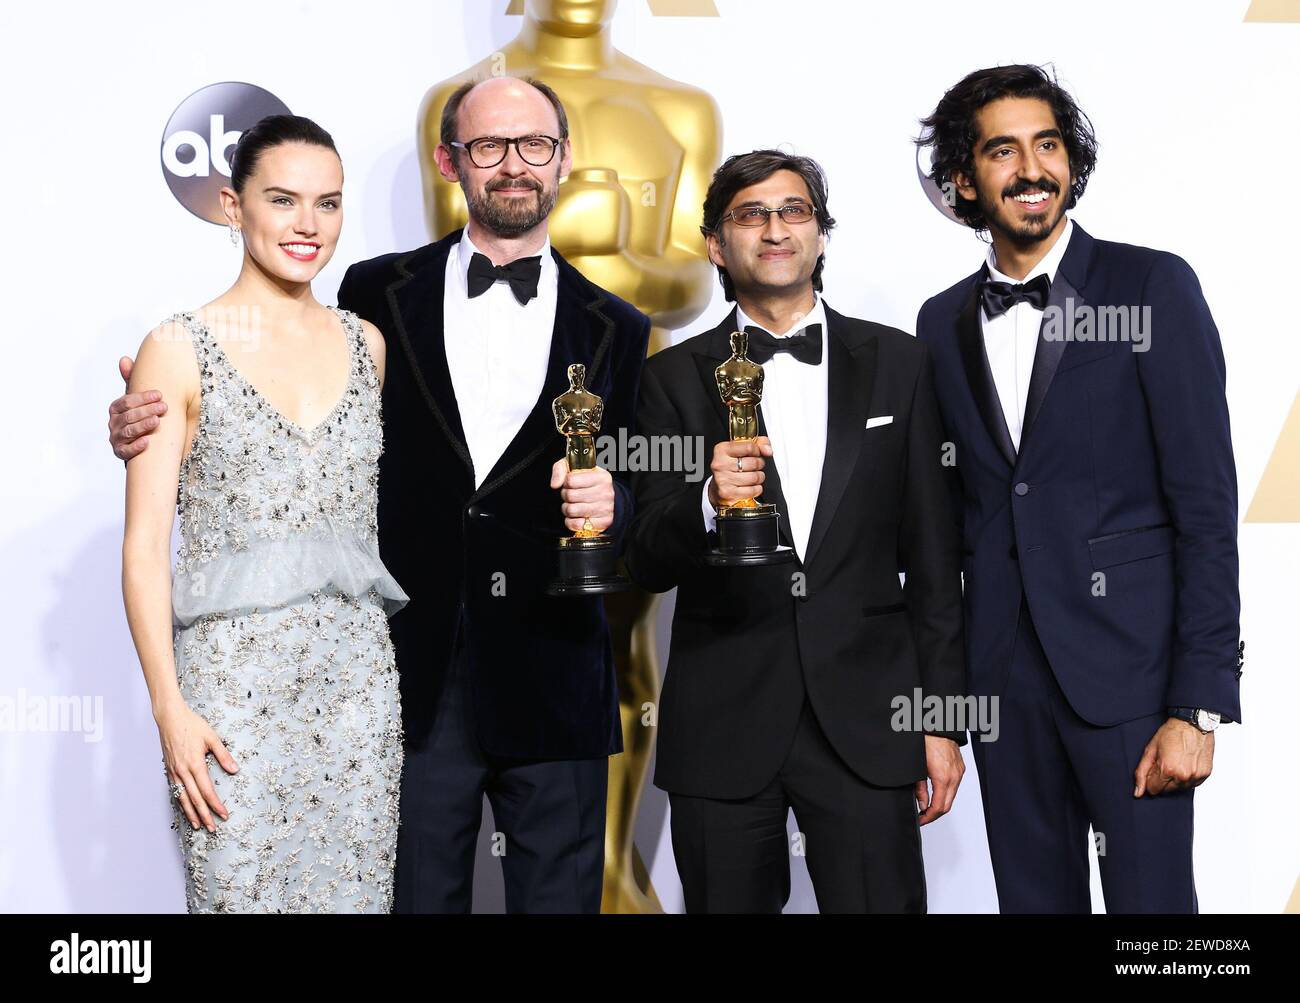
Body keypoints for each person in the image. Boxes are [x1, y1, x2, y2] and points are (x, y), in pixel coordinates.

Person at [113, 76, 649, 913]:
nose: (514, 164)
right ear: (450, 161)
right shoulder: (375, 297)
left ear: (565, 158)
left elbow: (638, 481)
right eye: (488, 145)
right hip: (408, 677)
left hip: (552, 679)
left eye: (535, 144)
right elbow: (261, 414)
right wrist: (143, 423)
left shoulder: (619, 324)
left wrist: (616, 505)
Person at [915, 64, 1242, 912]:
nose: (1032, 169)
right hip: (1004, 687)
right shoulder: (940, 322)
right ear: (963, 179)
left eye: (1049, 145)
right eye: (1003, 151)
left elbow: (1206, 508)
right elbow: (944, 530)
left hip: (1135, 684)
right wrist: (943, 708)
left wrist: (1198, 705)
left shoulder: (1151, 286)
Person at [623, 150, 966, 913]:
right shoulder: (670, 378)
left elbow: (936, 562)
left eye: (793, 211)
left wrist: (942, 722)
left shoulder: (900, 363)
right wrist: (706, 503)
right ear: (717, 245)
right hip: (723, 723)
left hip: (870, 721)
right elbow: (643, 555)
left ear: (820, 234)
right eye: (751, 215)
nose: (774, 229)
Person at [119, 114, 407, 913]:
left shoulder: (368, 345)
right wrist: (170, 709)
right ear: (231, 205)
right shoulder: (177, 345)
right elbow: (143, 549)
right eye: (282, 200)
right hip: (230, 699)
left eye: (328, 203)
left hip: (357, 700)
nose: (308, 224)